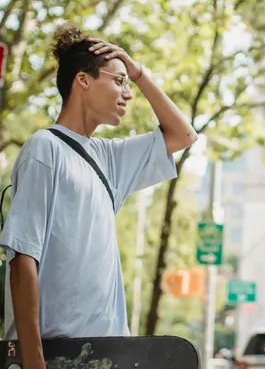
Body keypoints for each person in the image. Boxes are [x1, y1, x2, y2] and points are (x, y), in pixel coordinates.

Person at [0, 22, 198, 369]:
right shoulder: (44, 149)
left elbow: (184, 135)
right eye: (118, 80)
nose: (128, 92)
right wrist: (34, 362)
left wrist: (137, 72)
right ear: (83, 80)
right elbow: (22, 259)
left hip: (108, 351)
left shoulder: (110, 158)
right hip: (54, 352)